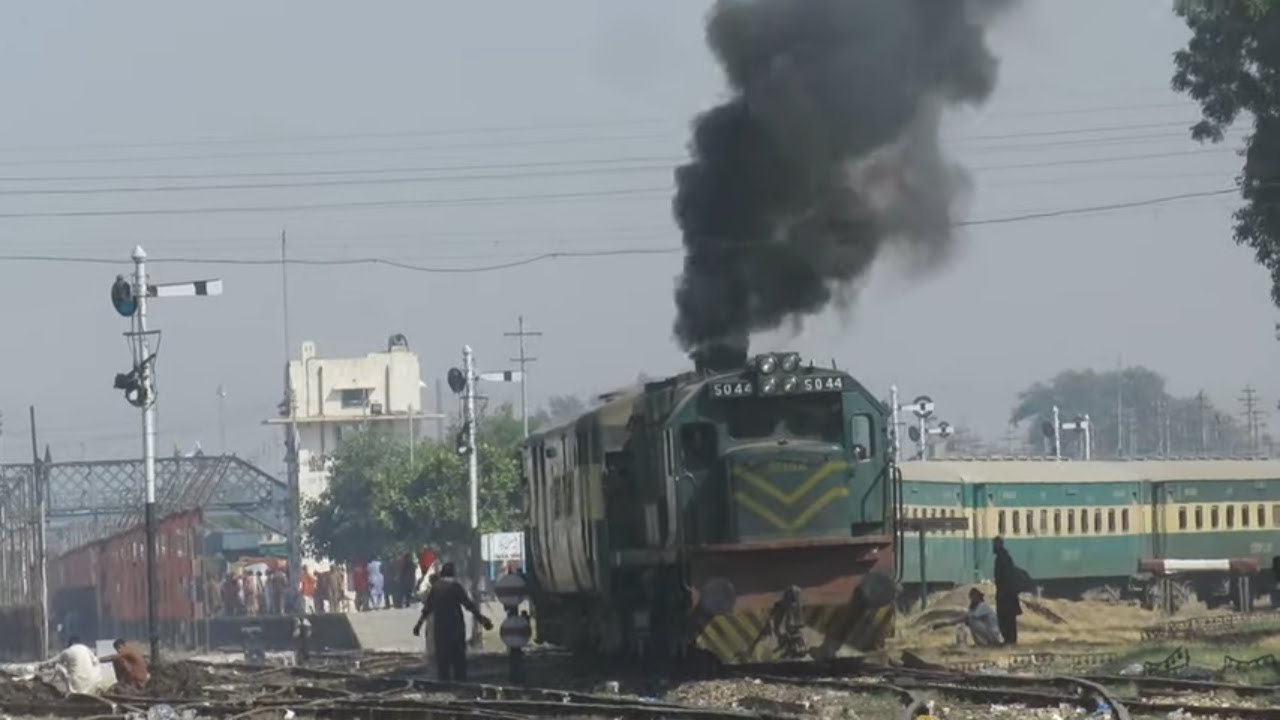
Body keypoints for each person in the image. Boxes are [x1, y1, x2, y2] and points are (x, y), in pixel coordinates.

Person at [412, 562, 491, 681]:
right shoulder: (455, 587)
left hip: (441, 628)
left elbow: (427, 609)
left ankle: (444, 683)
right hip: (456, 627)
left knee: (442, 660)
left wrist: (418, 625)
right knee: (458, 659)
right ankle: (460, 682)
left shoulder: (436, 588)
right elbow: (468, 605)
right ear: (453, 573)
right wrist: (482, 620)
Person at [992, 536, 1024, 646]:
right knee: (1009, 619)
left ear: (999, 545)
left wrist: (1002, 591)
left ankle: (1009, 640)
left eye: (994, 544)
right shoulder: (1005, 557)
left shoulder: (1002, 559)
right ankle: (1010, 640)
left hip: (1005, 594)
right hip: (1008, 594)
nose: (993, 547)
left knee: (1005, 619)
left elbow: (1003, 578)